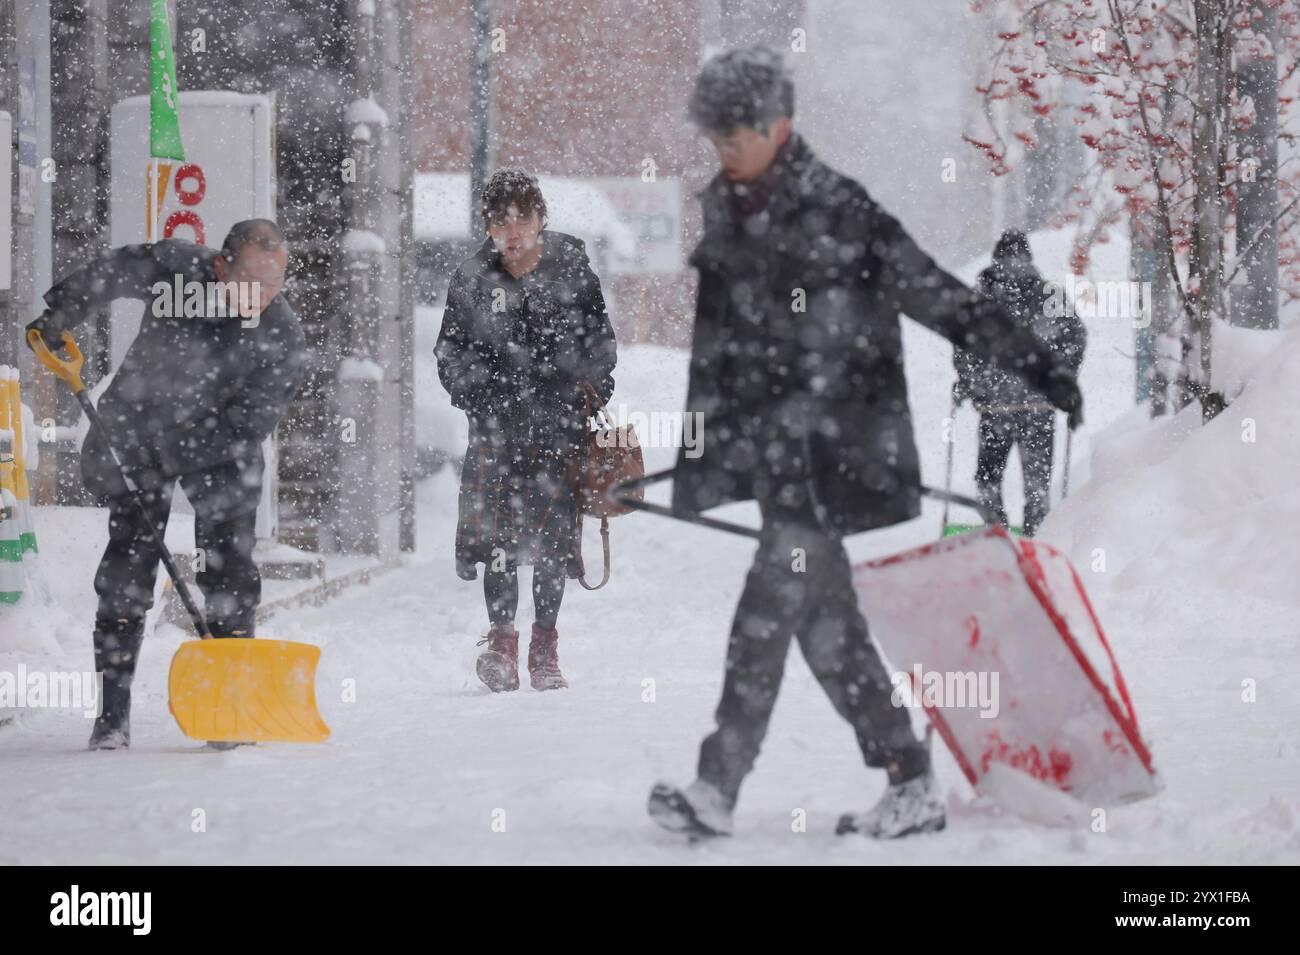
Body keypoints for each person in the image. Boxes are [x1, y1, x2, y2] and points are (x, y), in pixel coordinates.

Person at [647, 47, 1083, 839]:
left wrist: (1037, 364)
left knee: (763, 616)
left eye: (736, 134)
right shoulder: (728, 210)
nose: (724, 151)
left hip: (832, 457)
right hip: (777, 460)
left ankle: (716, 787)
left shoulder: (840, 211)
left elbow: (936, 294)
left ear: (779, 125)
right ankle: (909, 778)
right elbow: (726, 354)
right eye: (714, 138)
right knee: (827, 630)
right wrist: (708, 448)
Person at [25, 219, 306, 750]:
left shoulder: (281, 332)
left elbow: (249, 423)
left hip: (221, 449)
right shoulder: (179, 269)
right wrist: (60, 314)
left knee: (229, 571)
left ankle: (229, 712)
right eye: (254, 283)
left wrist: (173, 451)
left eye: (276, 286)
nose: (264, 298)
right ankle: (111, 719)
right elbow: (114, 272)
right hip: (140, 420)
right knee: (127, 570)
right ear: (221, 266)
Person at [435, 170, 617, 693]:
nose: (512, 231)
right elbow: (450, 353)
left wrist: (585, 392)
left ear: (541, 219)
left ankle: (545, 646)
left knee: (553, 545)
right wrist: (484, 398)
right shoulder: (472, 277)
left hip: (559, 431)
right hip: (496, 433)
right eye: (500, 220)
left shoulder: (573, 271)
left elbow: (601, 344)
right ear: (488, 225)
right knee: (498, 540)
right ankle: (501, 642)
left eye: (523, 218)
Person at [953, 230, 1087, 537]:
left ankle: (996, 540)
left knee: (987, 482)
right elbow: (1074, 338)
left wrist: (972, 383)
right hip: (1038, 406)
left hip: (995, 406)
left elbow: (964, 345)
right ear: (1028, 258)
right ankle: (1034, 546)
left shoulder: (982, 297)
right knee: (1037, 488)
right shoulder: (1048, 295)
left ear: (996, 257)